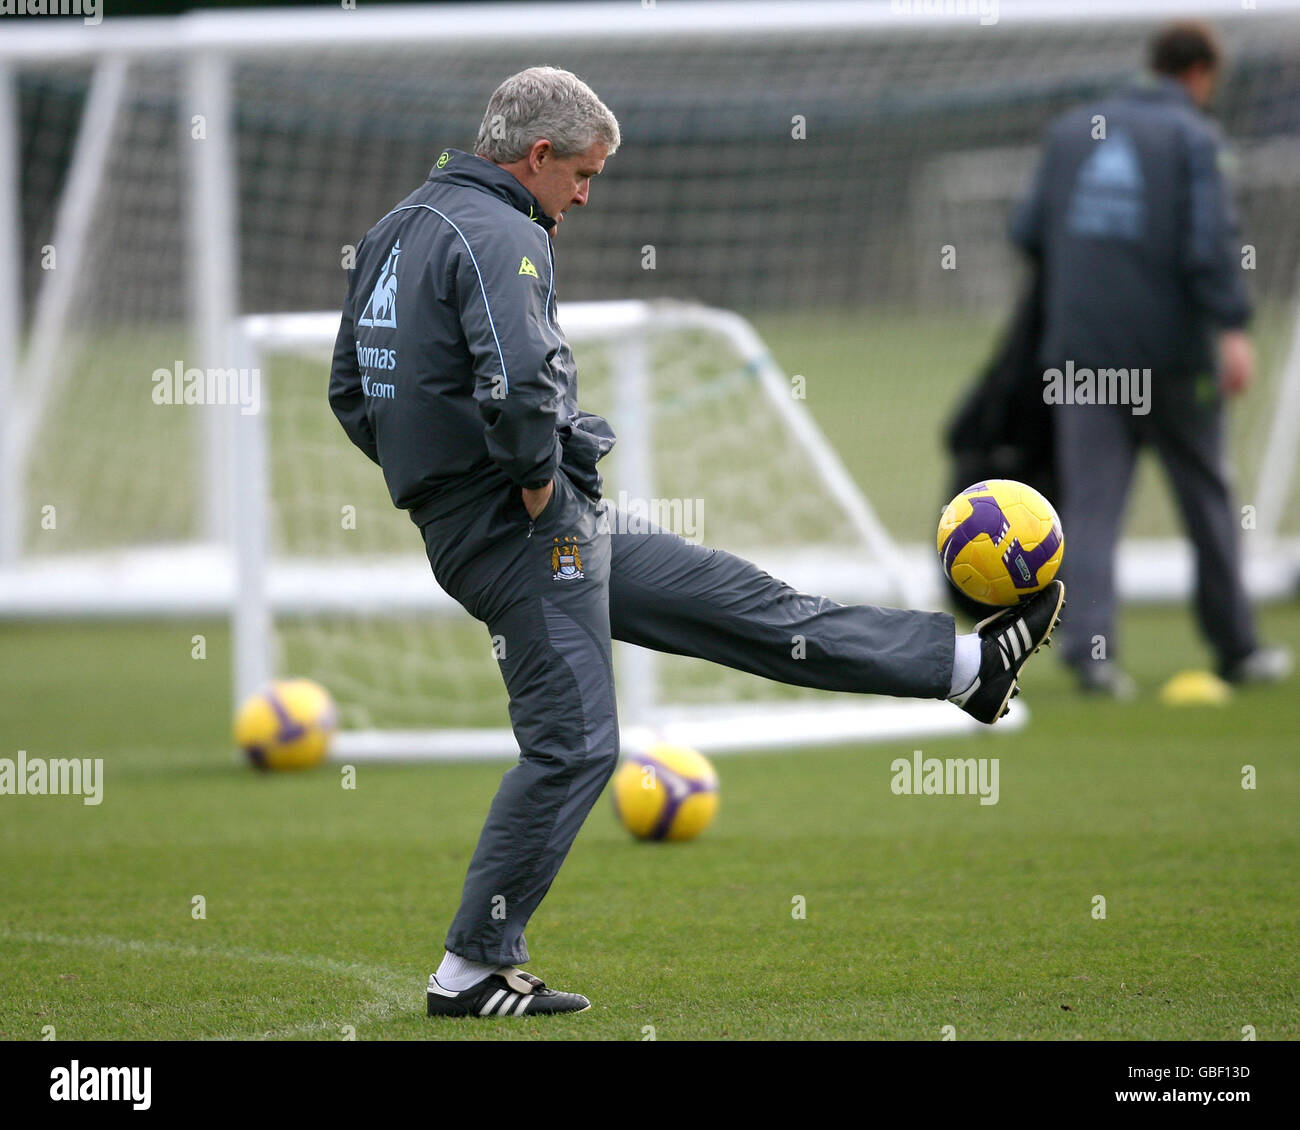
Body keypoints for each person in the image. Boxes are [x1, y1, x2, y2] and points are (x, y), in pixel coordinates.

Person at [330, 66, 1064, 1019]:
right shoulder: (505, 232)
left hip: (516, 521)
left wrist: (444, 478)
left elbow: (353, 391)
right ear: (538, 155)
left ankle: (966, 665)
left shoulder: (395, 229)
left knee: (748, 608)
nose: (587, 196)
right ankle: (471, 969)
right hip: (521, 526)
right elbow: (519, 386)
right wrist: (532, 477)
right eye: (584, 175)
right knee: (576, 747)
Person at [1011, 21, 1291, 698]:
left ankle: (1092, 655)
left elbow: (1026, 231)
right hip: (1172, 360)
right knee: (1206, 499)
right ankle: (1237, 648)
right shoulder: (1196, 137)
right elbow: (1209, 245)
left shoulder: (1072, 131)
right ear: (1200, 75)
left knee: (1092, 506)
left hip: (1083, 354)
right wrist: (1231, 327)